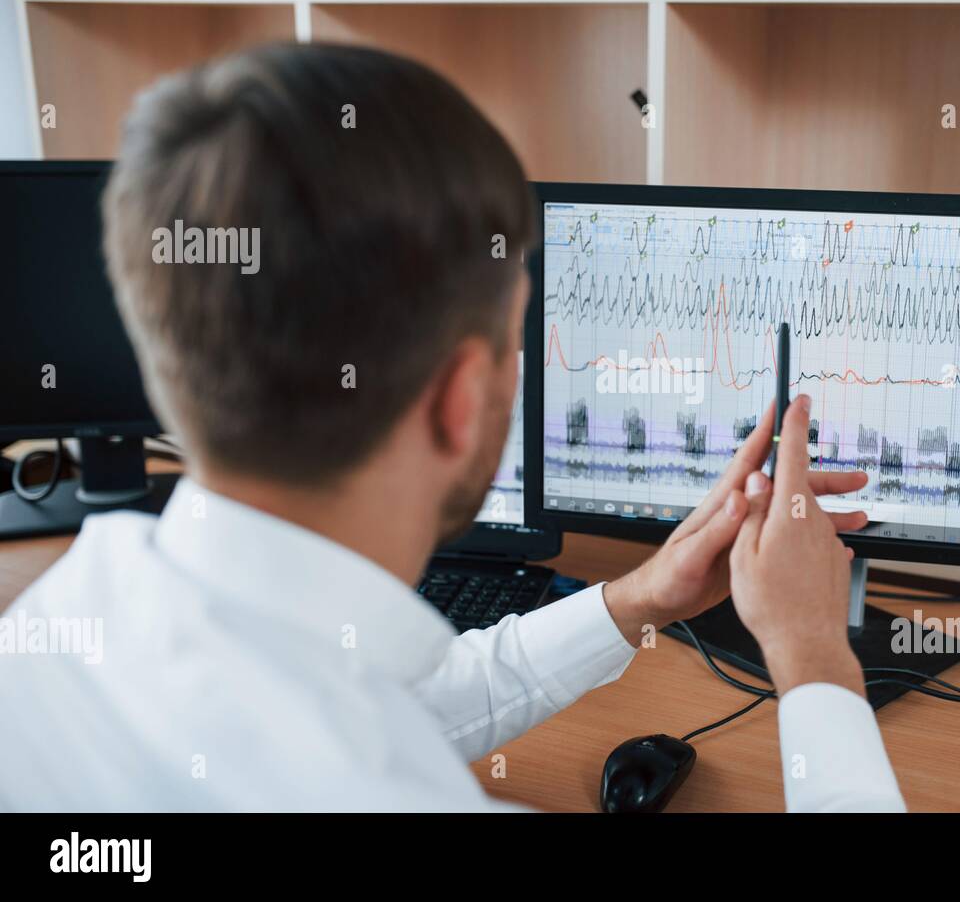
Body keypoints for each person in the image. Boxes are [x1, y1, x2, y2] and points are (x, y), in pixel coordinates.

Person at [0, 44, 904, 812]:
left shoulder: (61, 619)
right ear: (464, 396)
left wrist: (636, 600)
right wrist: (813, 653)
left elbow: (386, 703)